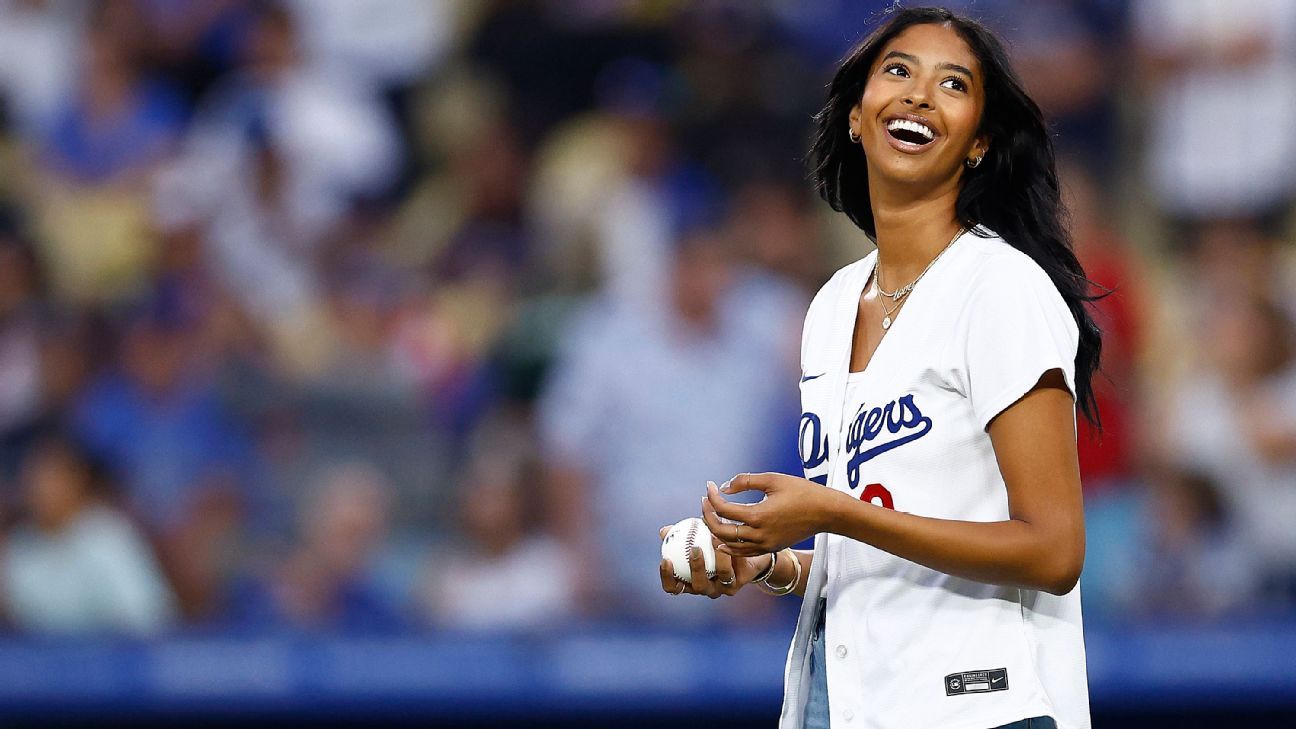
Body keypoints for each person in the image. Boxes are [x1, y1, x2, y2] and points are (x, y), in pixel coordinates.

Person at [658, 8, 1103, 729]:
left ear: (980, 143)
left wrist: (831, 511)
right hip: (850, 699)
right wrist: (773, 563)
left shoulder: (999, 286)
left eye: (952, 83)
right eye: (898, 71)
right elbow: (881, 551)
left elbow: (1054, 548)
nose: (920, 93)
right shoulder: (833, 304)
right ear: (857, 117)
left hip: (979, 705)